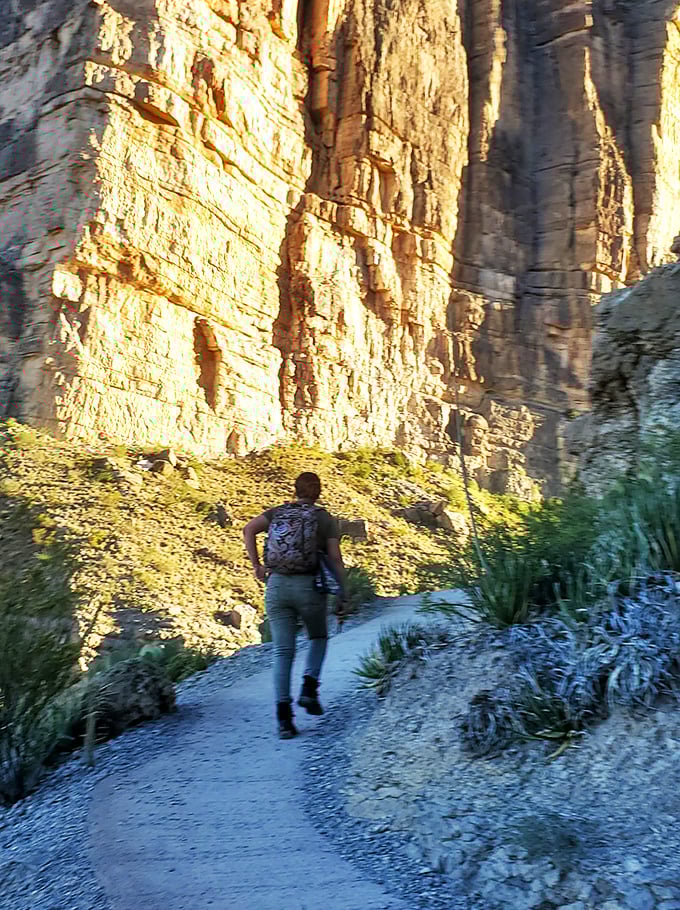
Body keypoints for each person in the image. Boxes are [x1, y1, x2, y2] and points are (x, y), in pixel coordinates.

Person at [243, 471, 347, 739]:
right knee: (318, 637)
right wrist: (341, 593)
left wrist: (257, 565)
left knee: (282, 652)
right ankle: (309, 688)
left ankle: (284, 720)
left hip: (276, 586)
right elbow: (335, 559)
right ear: (319, 492)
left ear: (295, 490)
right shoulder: (324, 519)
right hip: (308, 586)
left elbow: (249, 529)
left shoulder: (278, 513)